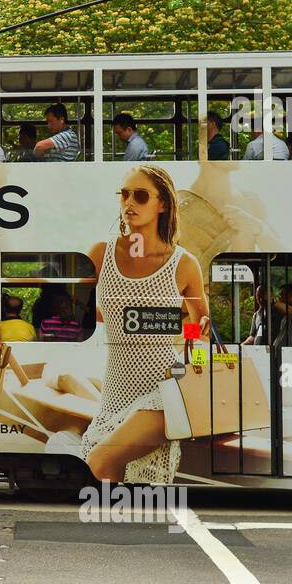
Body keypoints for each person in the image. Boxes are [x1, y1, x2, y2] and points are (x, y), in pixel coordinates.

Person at [62, 164, 210, 485]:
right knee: (106, 478)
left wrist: (191, 361)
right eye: (124, 194)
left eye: (140, 196)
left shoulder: (184, 264)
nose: (129, 202)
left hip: (166, 390)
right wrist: (119, 317)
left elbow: (200, 327)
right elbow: (76, 309)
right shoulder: (101, 253)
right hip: (115, 391)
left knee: (101, 460)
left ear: (163, 204)